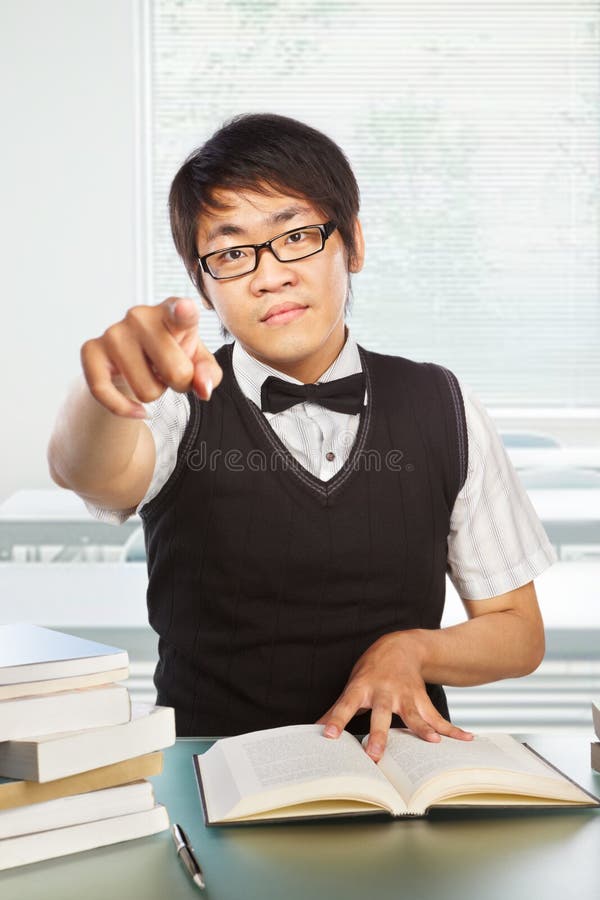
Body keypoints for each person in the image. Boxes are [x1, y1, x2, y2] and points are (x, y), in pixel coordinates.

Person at [47, 113, 556, 763]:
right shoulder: (175, 400)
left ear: (354, 243)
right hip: (208, 774)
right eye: (232, 253)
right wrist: (106, 386)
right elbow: (84, 469)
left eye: (296, 235)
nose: (270, 273)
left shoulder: (442, 402)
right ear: (204, 284)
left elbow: (518, 633)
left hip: (396, 778)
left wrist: (416, 648)